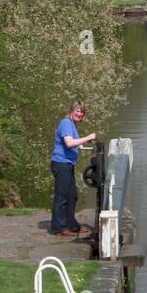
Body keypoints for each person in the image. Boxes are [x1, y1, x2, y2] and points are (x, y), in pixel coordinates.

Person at [50, 99, 99, 236]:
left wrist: (88, 145)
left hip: (68, 164)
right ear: (72, 110)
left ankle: (71, 225)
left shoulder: (71, 125)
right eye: (78, 111)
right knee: (62, 196)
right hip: (61, 164)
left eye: (82, 113)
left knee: (72, 196)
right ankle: (58, 228)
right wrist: (87, 137)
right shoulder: (66, 123)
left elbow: (77, 144)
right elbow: (69, 143)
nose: (79, 114)